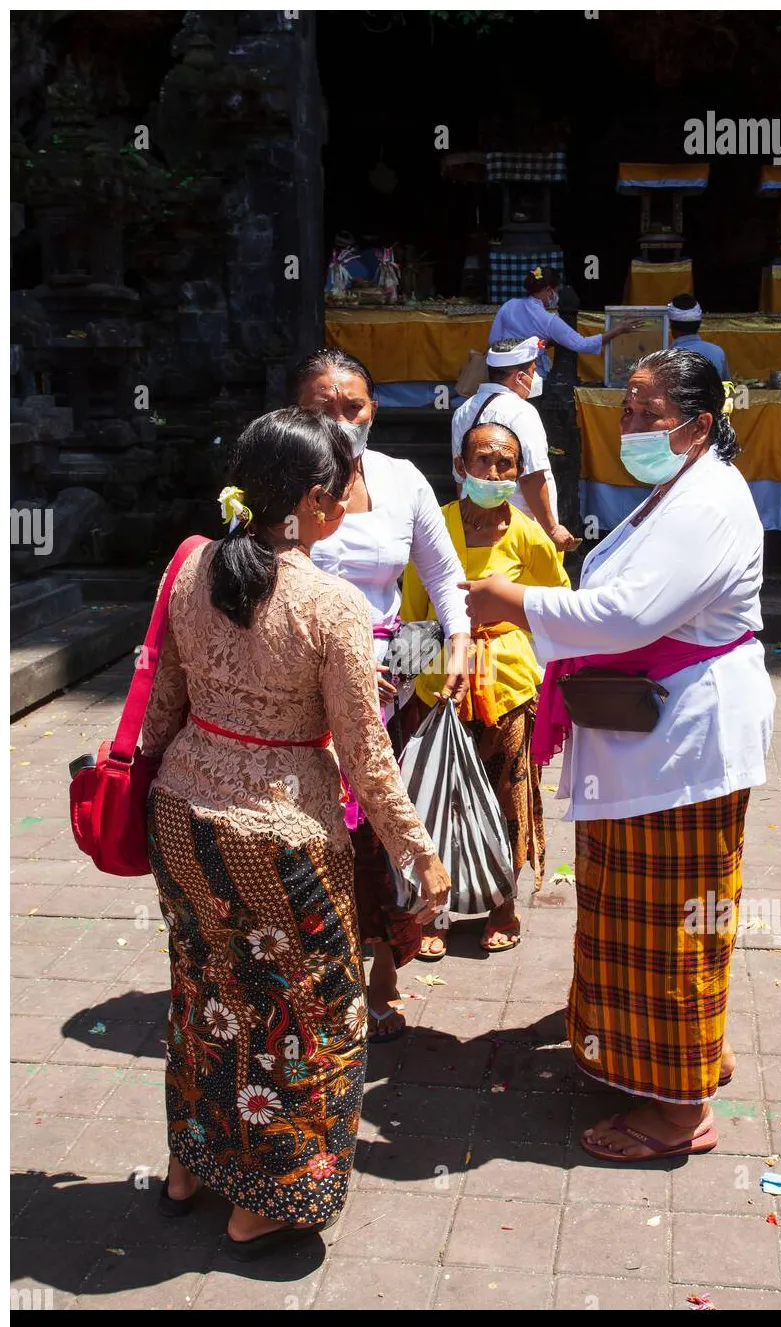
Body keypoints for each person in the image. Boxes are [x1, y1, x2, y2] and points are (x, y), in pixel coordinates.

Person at [142, 409, 449, 1257]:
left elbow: (162, 710)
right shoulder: (331, 605)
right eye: (348, 484)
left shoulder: (189, 570)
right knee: (304, 1017)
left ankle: (189, 1168)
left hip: (181, 818)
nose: (357, 496)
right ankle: (267, 1202)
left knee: (207, 997)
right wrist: (419, 853)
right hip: (278, 840)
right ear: (314, 502)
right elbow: (366, 759)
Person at [460, 347, 775, 1162]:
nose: (628, 424)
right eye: (626, 409)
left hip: (686, 746)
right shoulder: (673, 491)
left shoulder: (709, 500)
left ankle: (680, 1113)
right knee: (630, 917)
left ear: (699, 426)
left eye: (645, 413)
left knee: (675, 926)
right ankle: (681, 1059)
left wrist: (513, 602)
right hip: (647, 740)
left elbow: (626, 614)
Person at [290, 349, 470, 1042]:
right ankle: (320, 982)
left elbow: (444, 580)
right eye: (320, 409)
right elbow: (258, 591)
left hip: (392, 690)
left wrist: (454, 643)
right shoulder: (276, 485)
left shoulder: (400, 480)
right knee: (320, 848)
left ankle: (383, 976)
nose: (340, 421)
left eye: (353, 407)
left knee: (386, 845)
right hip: (304, 705)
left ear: (374, 409)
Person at [401, 421, 570, 958]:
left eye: (506, 464)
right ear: (459, 466)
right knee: (435, 800)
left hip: (511, 687)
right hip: (437, 687)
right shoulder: (431, 528)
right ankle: (436, 909)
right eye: (482, 461)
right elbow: (412, 612)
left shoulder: (529, 534)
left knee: (508, 800)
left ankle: (503, 903)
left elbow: (560, 609)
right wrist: (406, 688)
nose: (494, 473)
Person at [451, 337, 578, 553]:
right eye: (533, 370)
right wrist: (552, 529)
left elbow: (460, 477)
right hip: (519, 532)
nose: (535, 378)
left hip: (474, 529)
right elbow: (532, 477)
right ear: (520, 377)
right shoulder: (521, 412)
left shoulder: (463, 410)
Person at [489, 265, 643, 378]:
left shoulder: (509, 305)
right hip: (530, 376)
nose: (556, 296)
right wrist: (618, 330)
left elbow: (493, 341)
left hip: (502, 373)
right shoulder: (548, 320)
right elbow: (583, 344)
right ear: (549, 290)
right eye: (556, 291)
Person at [668, 293, 730, 379]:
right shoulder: (718, 352)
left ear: (671, 326)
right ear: (699, 324)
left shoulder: (666, 359)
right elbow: (726, 388)